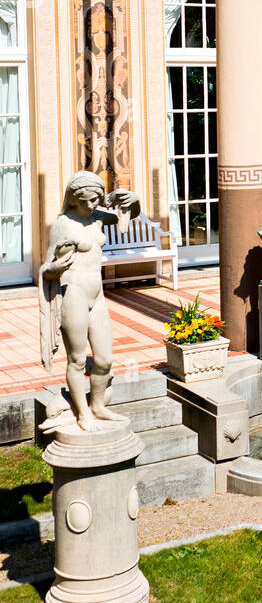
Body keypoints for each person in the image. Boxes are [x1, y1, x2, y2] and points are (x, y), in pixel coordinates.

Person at [39, 171, 141, 432]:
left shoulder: (96, 218)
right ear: (73, 199)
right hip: (73, 292)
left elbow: (127, 217)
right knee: (77, 359)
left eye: (96, 200)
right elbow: (47, 267)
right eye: (85, 201)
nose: (91, 205)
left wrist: (134, 199)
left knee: (105, 360)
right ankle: (83, 414)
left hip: (97, 295)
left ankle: (98, 406)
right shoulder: (62, 224)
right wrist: (53, 269)